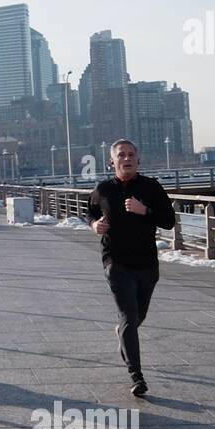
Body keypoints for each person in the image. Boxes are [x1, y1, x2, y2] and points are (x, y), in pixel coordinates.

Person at [85, 138, 176, 396]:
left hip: (147, 264)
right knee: (128, 316)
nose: (127, 159)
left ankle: (124, 333)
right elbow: (90, 212)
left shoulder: (151, 187)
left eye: (131, 154)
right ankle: (137, 376)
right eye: (121, 155)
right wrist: (94, 225)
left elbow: (168, 221)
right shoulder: (102, 189)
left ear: (138, 160)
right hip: (116, 262)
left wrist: (144, 210)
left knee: (136, 318)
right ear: (111, 161)